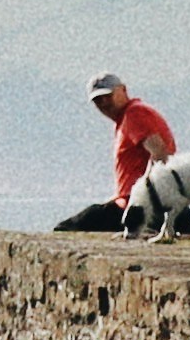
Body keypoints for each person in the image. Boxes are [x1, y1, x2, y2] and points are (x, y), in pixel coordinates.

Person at [51, 71, 180, 233]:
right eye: (98, 100)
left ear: (123, 90)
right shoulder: (126, 119)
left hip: (140, 207)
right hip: (134, 203)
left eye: (108, 95)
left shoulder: (135, 113)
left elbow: (160, 154)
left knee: (65, 230)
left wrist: (150, 202)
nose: (104, 102)